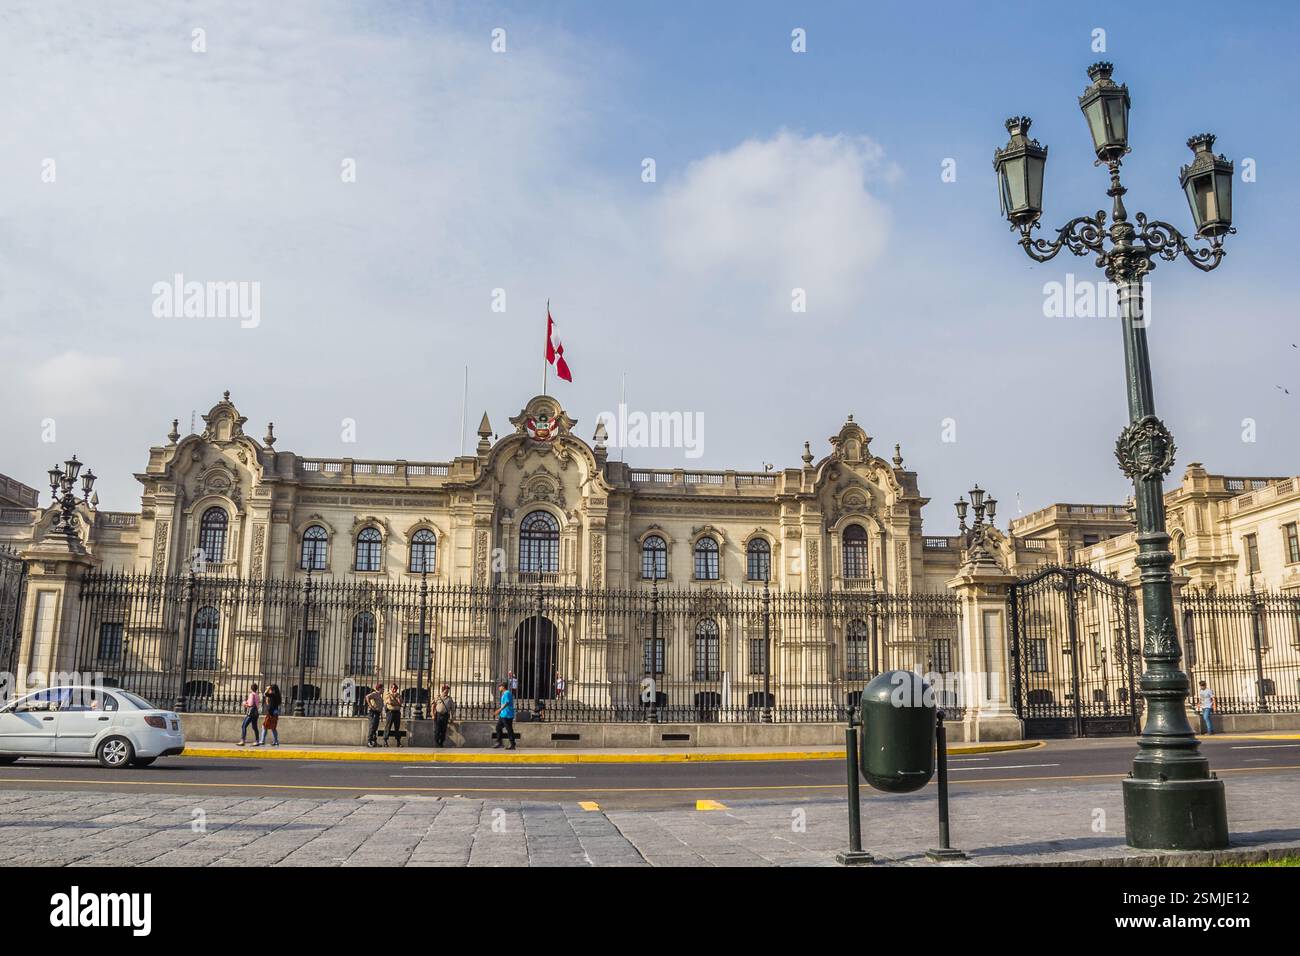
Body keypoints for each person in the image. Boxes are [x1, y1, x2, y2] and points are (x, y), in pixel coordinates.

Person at [493, 681, 516, 750]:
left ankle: (512, 744)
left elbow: (506, 703)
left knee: (509, 729)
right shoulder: (505, 693)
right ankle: (499, 742)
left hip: (507, 714)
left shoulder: (507, 693)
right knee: (498, 727)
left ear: (503, 687)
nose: (499, 688)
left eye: (499, 686)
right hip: (503, 714)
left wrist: (498, 710)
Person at [433, 683, 456, 748]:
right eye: (446, 690)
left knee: (443, 730)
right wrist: (433, 714)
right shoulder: (437, 697)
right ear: (443, 690)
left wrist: (452, 717)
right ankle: (437, 742)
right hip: (438, 715)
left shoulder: (450, 699)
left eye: (448, 691)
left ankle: (441, 742)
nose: (447, 692)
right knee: (437, 730)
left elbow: (452, 709)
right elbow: (433, 706)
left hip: (445, 715)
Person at [382, 681, 403, 747]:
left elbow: (400, 703)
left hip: (397, 713)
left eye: (396, 688)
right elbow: (390, 702)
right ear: (391, 688)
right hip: (390, 712)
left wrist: (396, 701)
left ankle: (398, 742)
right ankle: (385, 741)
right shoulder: (388, 694)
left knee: (397, 727)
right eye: (393, 688)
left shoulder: (398, 695)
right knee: (388, 727)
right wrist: (397, 702)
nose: (395, 689)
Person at [364, 682, 384, 747]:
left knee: (375, 728)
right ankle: (369, 741)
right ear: (379, 689)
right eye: (382, 689)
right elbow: (367, 697)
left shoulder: (379, 696)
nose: (383, 690)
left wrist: (381, 716)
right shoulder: (375, 694)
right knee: (372, 727)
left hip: (377, 713)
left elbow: (380, 707)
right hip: (373, 713)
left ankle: (374, 741)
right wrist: (370, 706)